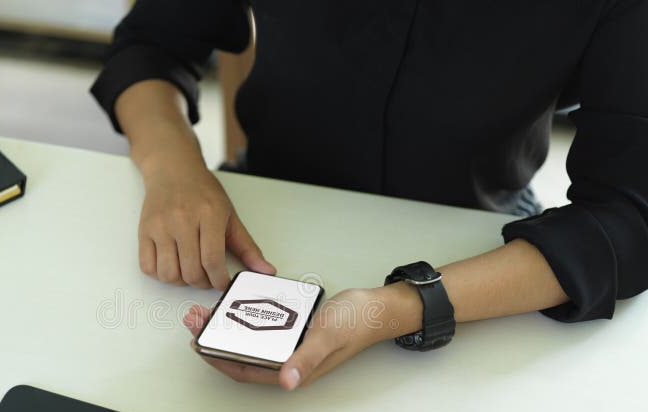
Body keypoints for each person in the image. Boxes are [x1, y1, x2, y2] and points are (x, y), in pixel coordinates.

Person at [91, 0, 648, 391]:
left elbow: (627, 215)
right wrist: (174, 169)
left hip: (489, 267)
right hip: (260, 218)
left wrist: (398, 309)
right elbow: (151, 45)